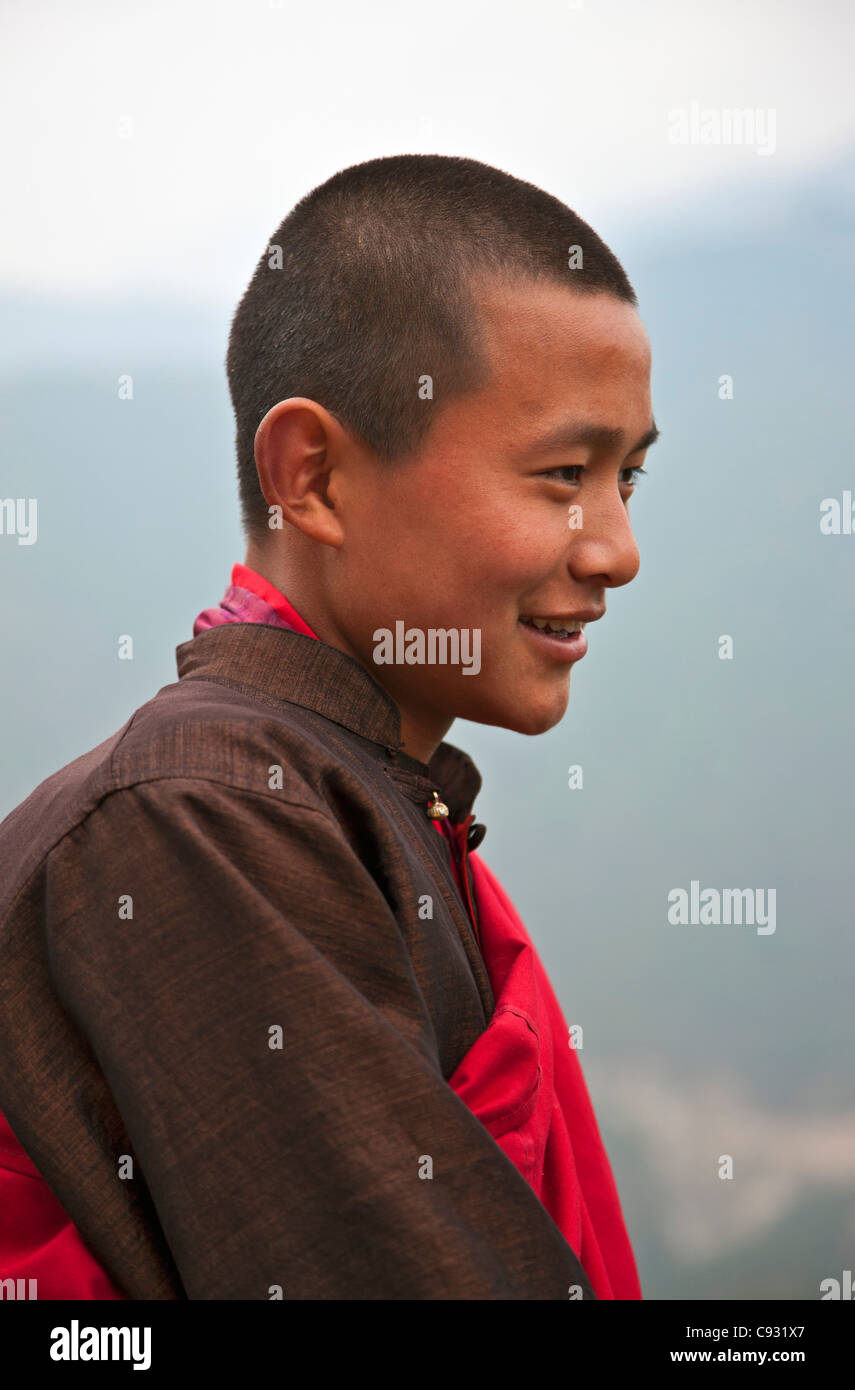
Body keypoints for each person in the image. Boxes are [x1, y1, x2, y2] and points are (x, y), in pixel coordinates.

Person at [0, 154, 655, 1300]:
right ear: (315, 478)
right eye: (562, 473)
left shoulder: (360, 791)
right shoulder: (196, 820)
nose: (615, 550)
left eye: (627, 481)